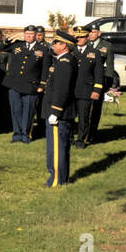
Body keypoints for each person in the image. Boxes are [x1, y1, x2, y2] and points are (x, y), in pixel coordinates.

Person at [41, 30, 77, 187]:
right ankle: (62, 177)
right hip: (61, 111)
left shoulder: (65, 63)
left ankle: (56, 180)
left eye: (56, 43)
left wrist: (55, 112)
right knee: (60, 147)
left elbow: (62, 90)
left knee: (56, 149)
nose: (54, 45)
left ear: (64, 46)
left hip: (59, 113)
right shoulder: (65, 60)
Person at [2, 25, 44, 143]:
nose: (28, 36)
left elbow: (45, 68)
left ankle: (26, 135)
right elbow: (2, 47)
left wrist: (42, 84)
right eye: (26, 34)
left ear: (36, 35)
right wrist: (12, 38)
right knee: (15, 110)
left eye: (31, 34)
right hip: (14, 83)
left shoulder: (42, 49)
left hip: (31, 84)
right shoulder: (17, 45)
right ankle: (17, 134)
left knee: (28, 111)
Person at [71, 26, 103, 148]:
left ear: (87, 37)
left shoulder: (94, 53)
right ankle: (69, 138)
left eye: (81, 36)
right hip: (71, 90)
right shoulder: (71, 51)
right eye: (77, 36)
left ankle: (81, 139)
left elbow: (98, 74)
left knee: (84, 117)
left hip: (86, 90)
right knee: (69, 116)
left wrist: (97, 90)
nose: (78, 39)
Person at [87, 25, 114, 142]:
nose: (90, 35)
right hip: (85, 81)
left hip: (98, 81)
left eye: (93, 32)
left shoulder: (107, 46)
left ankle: (92, 134)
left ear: (99, 33)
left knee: (95, 109)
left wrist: (108, 82)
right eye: (89, 33)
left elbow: (109, 66)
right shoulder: (84, 44)